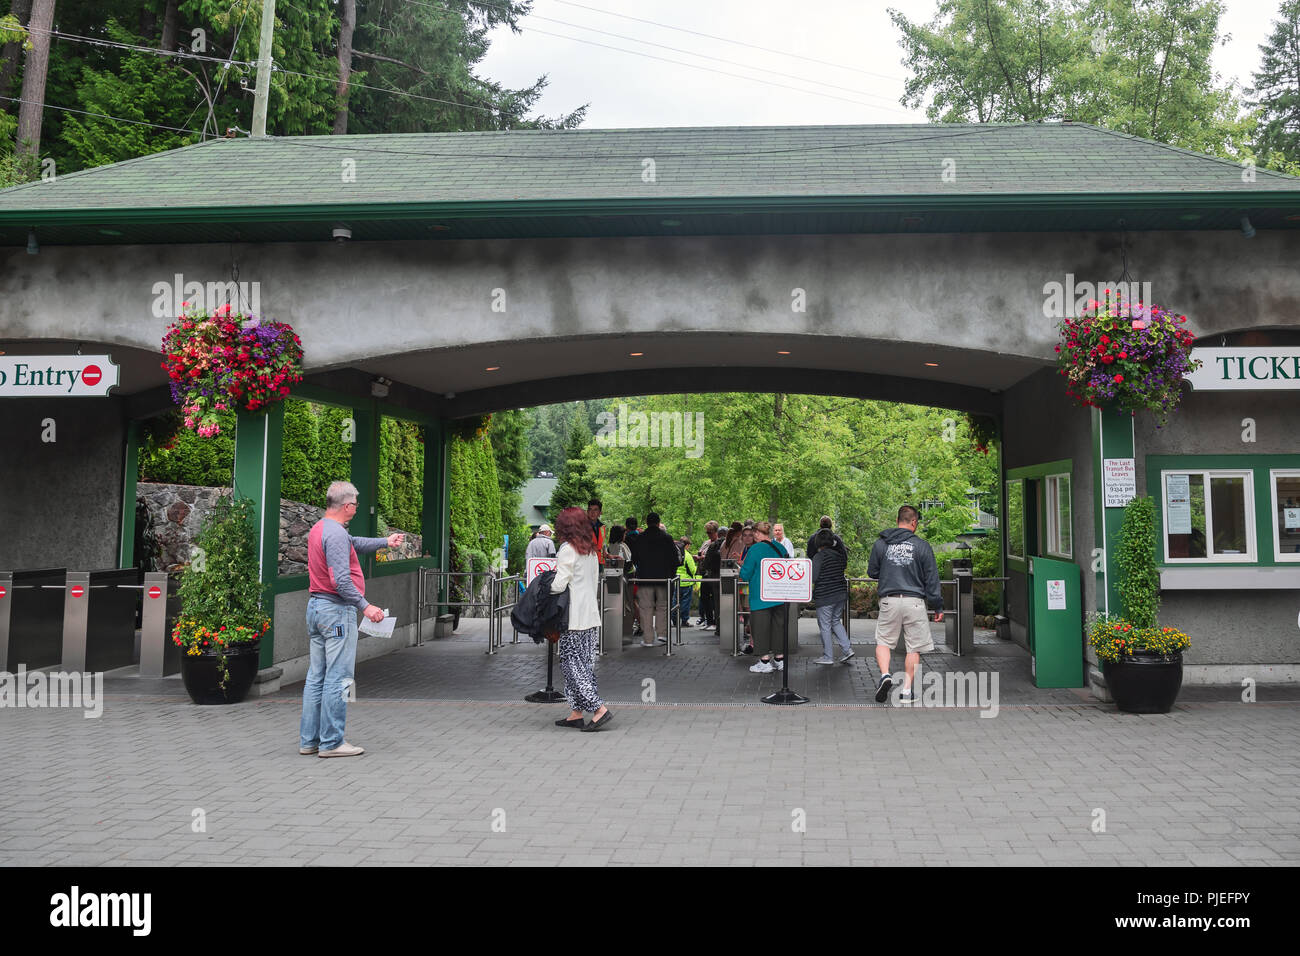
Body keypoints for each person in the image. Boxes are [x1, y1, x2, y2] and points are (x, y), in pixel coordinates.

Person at [300, 480, 404, 758]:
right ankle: (332, 742)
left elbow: (352, 543)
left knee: (316, 677)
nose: (357, 509)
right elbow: (341, 580)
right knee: (340, 678)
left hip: (317, 609)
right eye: (356, 505)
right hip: (336, 611)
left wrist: (385, 541)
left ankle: (310, 740)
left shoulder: (321, 529)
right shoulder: (335, 534)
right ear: (347, 506)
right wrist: (365, 606)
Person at [867, 505, 943, 704]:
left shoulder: (881, 544)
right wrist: (937, 605)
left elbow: (872, 572)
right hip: (914, 602)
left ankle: (885, 675)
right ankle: (907, 692)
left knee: (883, 642)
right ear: (914, 522)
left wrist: (888, 570)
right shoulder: (922, 546)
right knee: (913, 648)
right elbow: (931, 578)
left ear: (897, 520)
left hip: (889, 600)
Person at [551, 506, 612, 731]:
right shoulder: (591, 551)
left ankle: (599, 709)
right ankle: (576, 712)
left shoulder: (568, 549)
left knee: (571, 666)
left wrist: (543, 586)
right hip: (590, 617)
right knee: (584, 665)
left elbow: (559, 584)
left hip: (573, 618)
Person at [738, 521, 789, 673]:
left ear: (756, 533)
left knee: (760, 629)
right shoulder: (780, 547)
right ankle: (780, 659)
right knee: (778, 628)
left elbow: (745, 573)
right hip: (780, 595)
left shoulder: (755, 549)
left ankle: (764, 661)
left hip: (761, 597)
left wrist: (741, 568)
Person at [628, 512, 680, 646]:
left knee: (646, 608)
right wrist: (670, 572)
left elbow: (634, 558)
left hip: (644, 578)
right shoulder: (667, 538)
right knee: (662, 606)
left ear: (646, 523)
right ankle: (662, 634)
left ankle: (648, 639)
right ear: (658, 522)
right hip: (663, 578)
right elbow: (675, 559)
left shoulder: (640, 538)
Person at [810, 528, 853, 664]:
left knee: (825, 625)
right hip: (840, 593)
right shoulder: (839, 555)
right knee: (835, 622)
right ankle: (847, 649)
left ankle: (828, 656)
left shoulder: (819, 557)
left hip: (825, 595)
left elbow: (814, 576)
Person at [696, 520, 721, 626]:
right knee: (704, 597)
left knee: (715, 597)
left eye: (710, 532)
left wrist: (703, 557)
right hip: (705, 573)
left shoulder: (720, 543)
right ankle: (709, 621)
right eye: (707, 532)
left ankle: (716, 621)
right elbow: (701, 552)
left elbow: (716, 557)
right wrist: (699, 557)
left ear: (716, 532)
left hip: (714, 573)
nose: (708, 534)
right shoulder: (706, 542)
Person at [674, 535, 697, 627]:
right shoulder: (687, 555)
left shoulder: (675, 553)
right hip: (686, 582)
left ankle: (674, 620)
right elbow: (692, 570)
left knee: (674, 602)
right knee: (685, 602)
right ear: (686, 545)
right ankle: (684, 620)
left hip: (675, 581)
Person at [588, 498, 606, 564]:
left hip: (600, 563)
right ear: (587, 511)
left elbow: (602, 546)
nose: (592, 512)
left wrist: (608, 555)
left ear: (600, 513)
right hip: (587, 563)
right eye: (590, 509)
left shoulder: (602, 527)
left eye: (595, 510)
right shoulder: (582, 527)